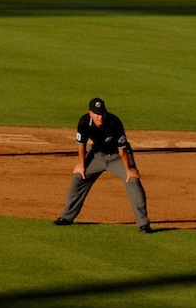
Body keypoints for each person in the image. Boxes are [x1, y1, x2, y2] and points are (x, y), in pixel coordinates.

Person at [53, 97, 152, 232]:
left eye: (102, 113)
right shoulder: (83, 122)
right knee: (79, 177)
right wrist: (81, 165)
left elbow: (122, 150)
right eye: (97, 114)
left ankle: (143, 224)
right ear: (91, 114)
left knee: (133, 180)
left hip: (117, 156)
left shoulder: (114, 122)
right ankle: (66, 217)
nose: (100, 117)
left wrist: (129, 169)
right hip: (97, 155)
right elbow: (81, 145)